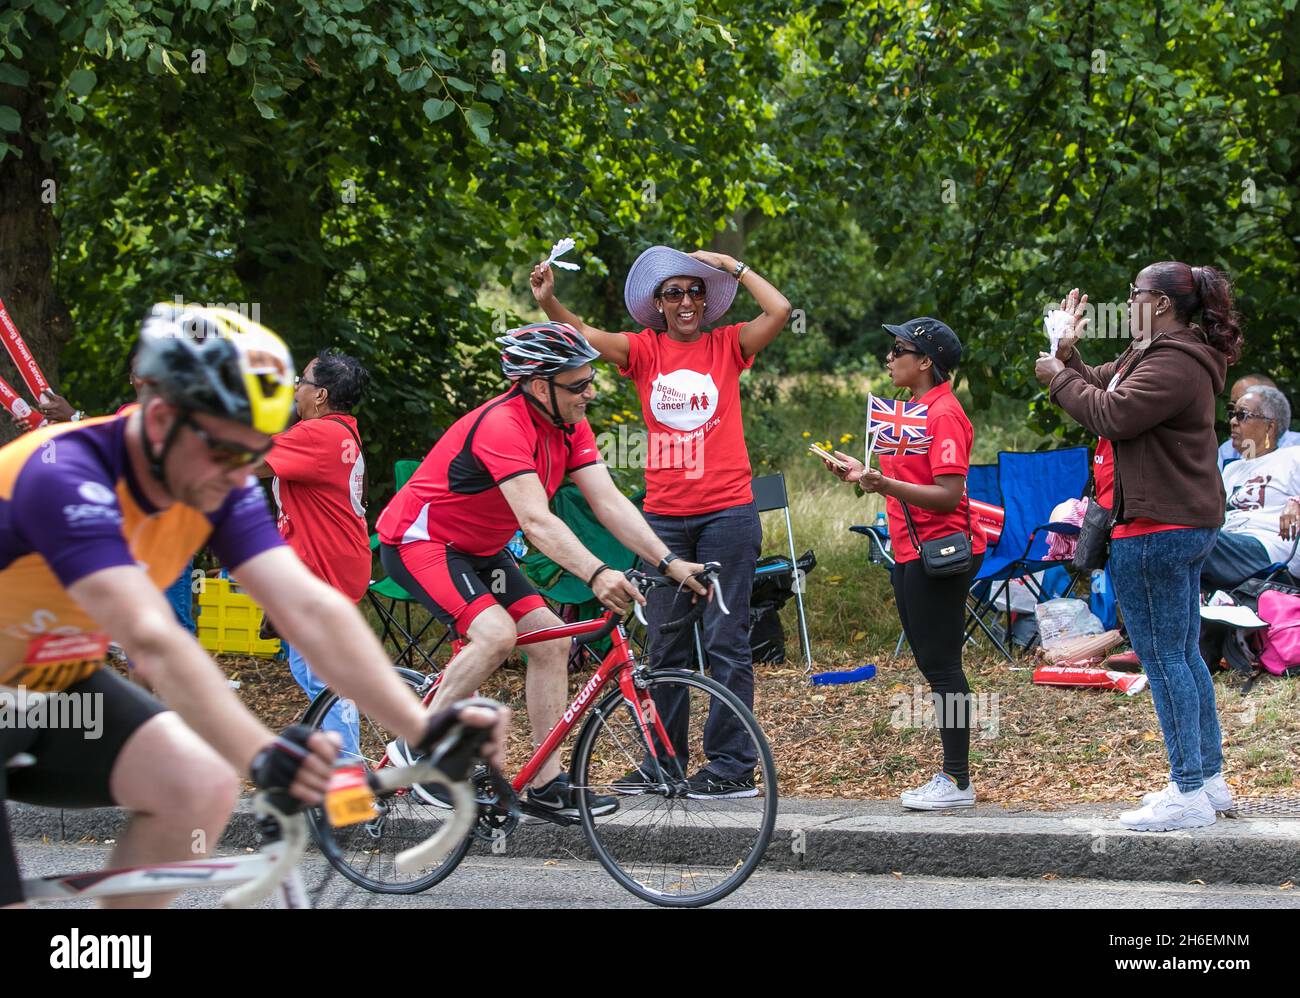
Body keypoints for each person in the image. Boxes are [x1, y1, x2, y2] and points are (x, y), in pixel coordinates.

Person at [0, 303, 507, 908]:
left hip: (46, 682)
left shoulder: (213, 474)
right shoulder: (68, 474)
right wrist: (264, 755)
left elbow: (312, 609)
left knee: (199, 788)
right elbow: (152, 640)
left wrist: (424, 729)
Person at [376, 321, 710, 815]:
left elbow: (609, 502)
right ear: (539, 386)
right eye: (578, 385)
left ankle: (546, 784)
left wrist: (669, 560)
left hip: (480, 549)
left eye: (590, 380)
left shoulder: (567, 424)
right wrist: (597, 574)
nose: (590, 393)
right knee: (494, 635)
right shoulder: (502, 425)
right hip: (419, 541)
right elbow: (535, 521)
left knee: (554, 641)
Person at [530, 245, 790, 797]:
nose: (687, 300)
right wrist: (551, 300)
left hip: (727, 515)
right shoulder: (644, 351)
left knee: (726, 641)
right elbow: (584, 335)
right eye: (674, 292)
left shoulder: (728, 344)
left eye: (696, 290)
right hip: (664, 522)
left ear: (707, 299)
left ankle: (731, 766)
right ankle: (663, 760)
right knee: (666, 646)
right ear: (659, 304)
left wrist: (732, 266)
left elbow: (780, 311)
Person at [1036, 263, 1240, 831]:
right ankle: (1208, 780)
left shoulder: (1173, 361)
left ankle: (1188, 791)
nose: (1127, 302)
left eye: (1135, 295)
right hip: (1172, 523)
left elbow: (1112, 414)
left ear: (1163, 304)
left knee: (1164, 657)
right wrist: (1069, 355)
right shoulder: (1151, 351)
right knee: (1182, 653)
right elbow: (1100, 385)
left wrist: (1054, 375)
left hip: (1157, 527)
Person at [820, 318, 986, 809]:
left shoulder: (944, 415)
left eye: (899, 349)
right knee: (932, 664)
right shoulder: (911, 412)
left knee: (943, 667)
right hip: (909, 551)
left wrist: (883, 485)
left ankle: (957, 781)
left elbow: (948, 495)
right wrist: (860, 473)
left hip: (943, 552)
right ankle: (953, 778)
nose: (889, 358)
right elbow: (895, 480)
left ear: (926, 361)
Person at [253, 349, 372, 761]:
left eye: (301, 382)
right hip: (331, 564)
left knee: (322, 675)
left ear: (320, 395)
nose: (295, 390)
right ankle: (338, 758)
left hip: (321, 570)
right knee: (310, 668)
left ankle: (347, 770)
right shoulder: (341, 430)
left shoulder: (316, 436)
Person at [1201, 385, 1300, 588]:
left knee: (1185, 539)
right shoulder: (1231, 470)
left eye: (1242, 415)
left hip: (1269, 549)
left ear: (1270, 427)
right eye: (1232, 414)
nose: (1233, 421)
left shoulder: (1293, 457)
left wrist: (1297, 501)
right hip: (1227, 545)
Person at [1217, 374, 1300, 470]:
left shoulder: (1296, 447)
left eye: (1243, 413)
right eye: (1232, 410)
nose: (1233, 421)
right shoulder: (1227, 452)